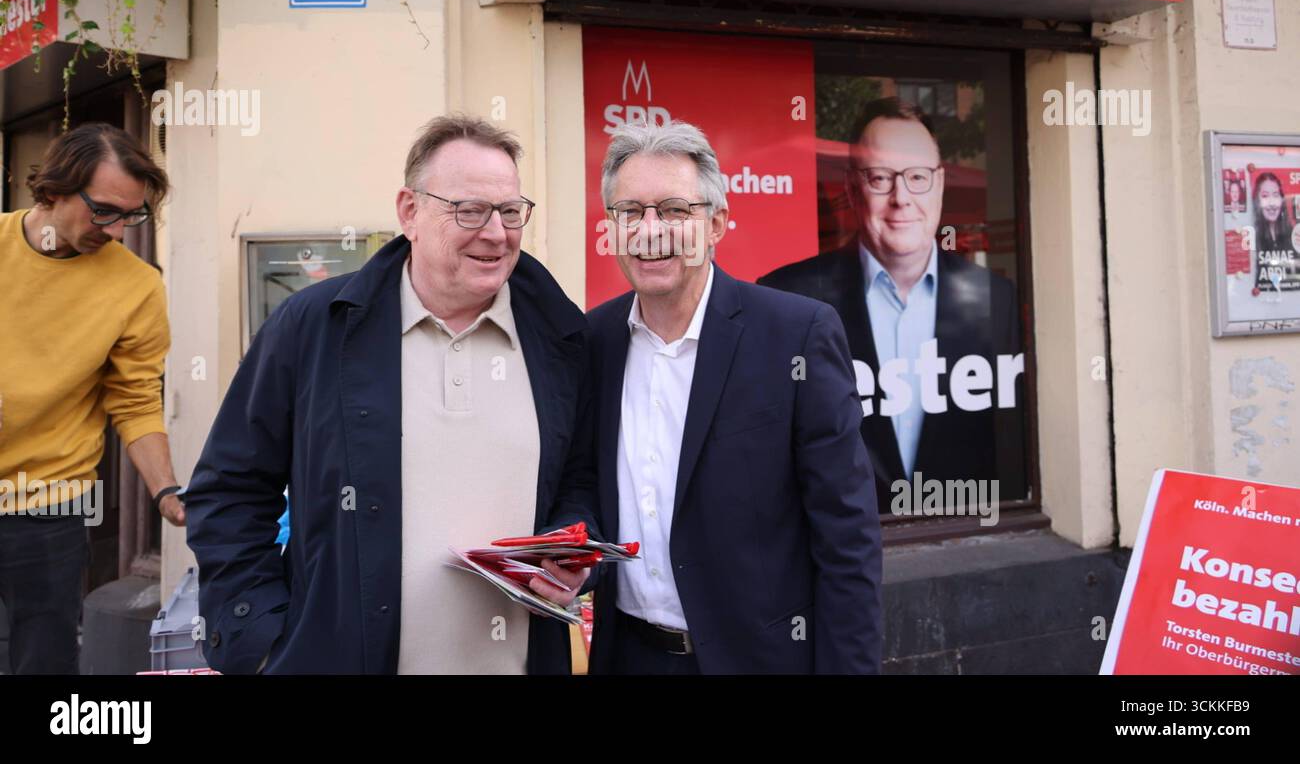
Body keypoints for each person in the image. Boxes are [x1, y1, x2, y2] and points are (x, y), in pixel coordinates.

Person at [185, 115, 599, 674]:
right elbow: (228, 491)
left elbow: (582, 482)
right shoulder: (314, 327)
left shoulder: (561, 338)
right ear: (410, 212)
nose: (496, 233)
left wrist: (571, 551)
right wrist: (258, 641)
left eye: (509, 211)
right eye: (470, 210)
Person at [586, 120, 882, 674]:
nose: (651, 231)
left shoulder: (796, 334)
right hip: (626, 659)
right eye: (631, 212)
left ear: (716, 223)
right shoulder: (593, 342)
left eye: (675, 210)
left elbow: (848, 542)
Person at [760, 98, 1023, 512]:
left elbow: (1010, 445)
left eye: (917, 176)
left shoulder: (997, 299)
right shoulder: (786, 297)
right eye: (880, 178)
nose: (901, 197)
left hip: (970, 535)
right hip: (836, 553)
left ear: (940, 183)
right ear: (851, 187)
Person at [0, 122, 185, 674]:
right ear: (54, 189)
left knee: (45, 662)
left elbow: (134, 401)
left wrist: (166, 490)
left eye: (132, 215)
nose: (118, 231)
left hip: (49, 506)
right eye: (104, 210)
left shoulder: (138, 286)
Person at [1252, 172, 1296, 291]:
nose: (1271, 203)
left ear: (1282, 199)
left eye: (1276, 195)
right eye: (1265, 196)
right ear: (1257, 200)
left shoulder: (1293, 236)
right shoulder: (1252, 238)